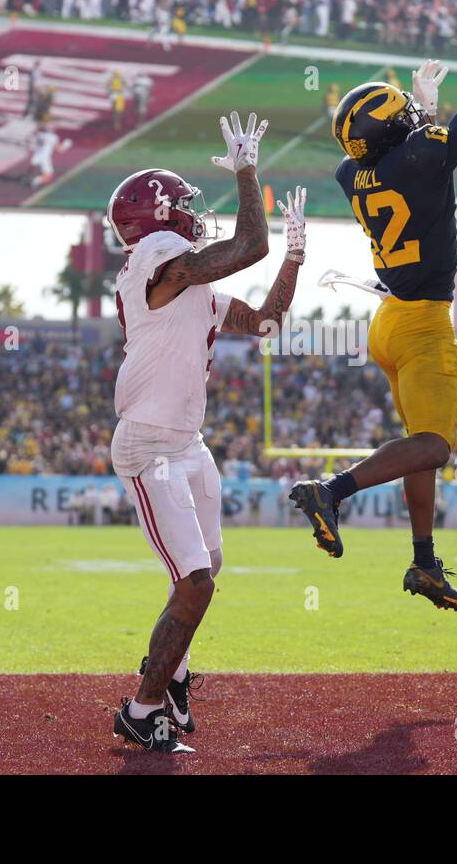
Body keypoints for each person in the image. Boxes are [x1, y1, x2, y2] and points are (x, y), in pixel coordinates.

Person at [288, 0, 457, 613]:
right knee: (433, 446)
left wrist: (419, 118)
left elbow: (405, 162)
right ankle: (333, 490)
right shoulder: (417, 155)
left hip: (387, 323)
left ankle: (423, 561)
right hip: (424, 324)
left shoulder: (352, 173)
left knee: (418, 445)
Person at [106, 111, 304, 755]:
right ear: (157, 219)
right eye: (182, 205)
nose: (192, 214)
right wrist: (248, 169)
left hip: (187, 443)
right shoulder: (157, 261)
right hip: (150, 442)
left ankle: (177, 675)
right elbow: (248, 246)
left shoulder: (183, 280)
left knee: (208, 568)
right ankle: (142, 709)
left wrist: (296, 254)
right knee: (195, 581)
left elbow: (268, 321)